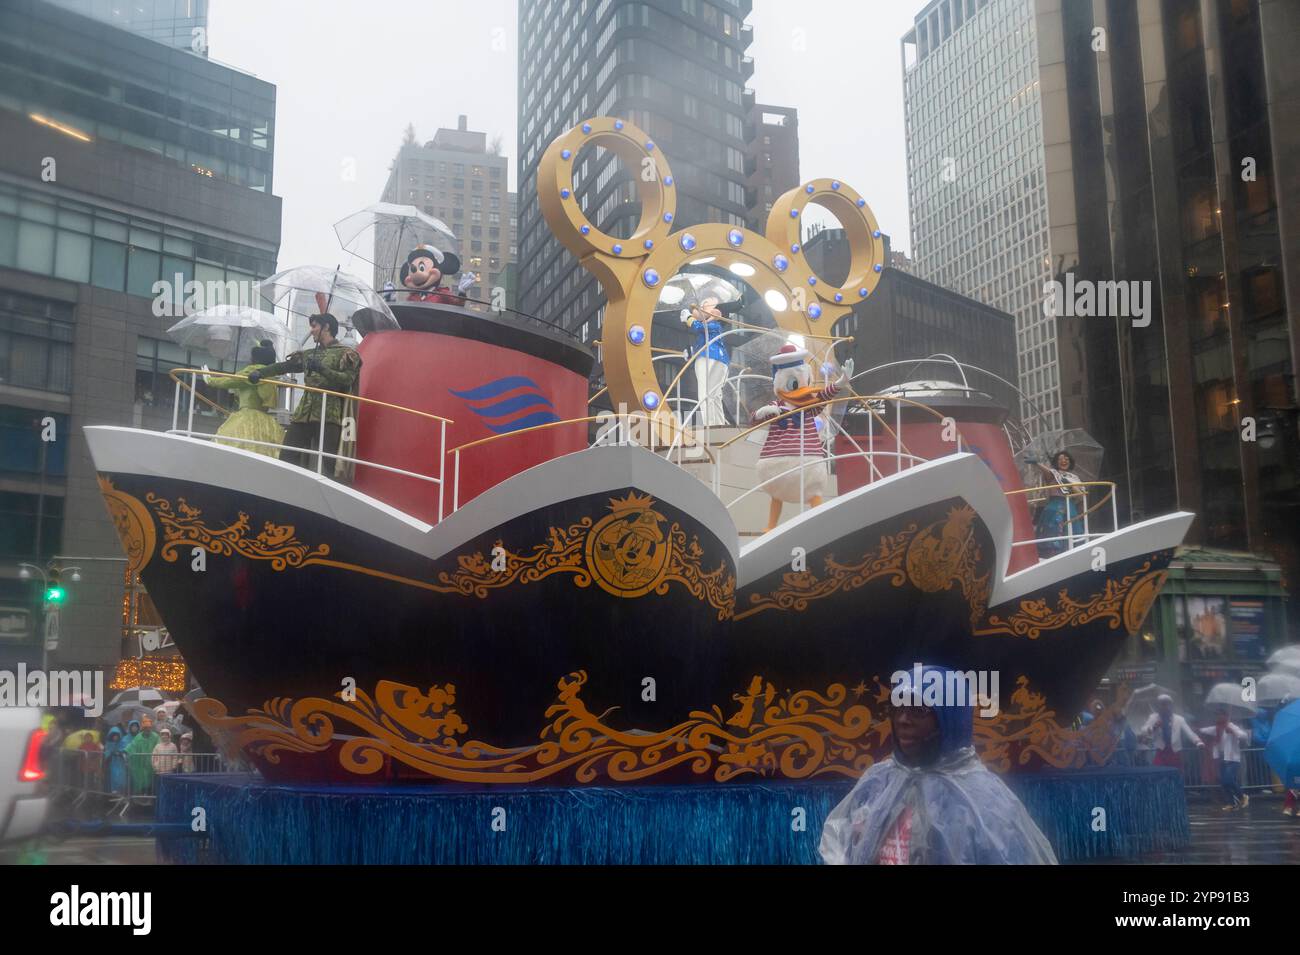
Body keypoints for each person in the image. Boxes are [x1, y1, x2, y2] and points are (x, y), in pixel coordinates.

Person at [820, 664, 1057, 864]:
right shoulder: (879, 782)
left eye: (918, 710)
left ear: (950, 719)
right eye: (898, 708)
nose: (903, 719)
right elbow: (839, 843)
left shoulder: (984, 802)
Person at [249, 312, 362, 472]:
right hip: (303, 414)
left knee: (331, 463)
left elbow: (347, 379)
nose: (312, 330)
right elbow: (284, 366)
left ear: (326, 327)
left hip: (329, 415)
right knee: (287, 455)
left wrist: (322, 368)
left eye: (314, 326)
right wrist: (261, 373)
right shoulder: (309, 355)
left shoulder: (345, 353)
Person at [206, 339, 285, 458]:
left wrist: (210, 380)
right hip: (264, 420)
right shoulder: (269, 374)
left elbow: (231, 381)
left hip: (247, 416)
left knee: (231, 447)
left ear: (256, 359)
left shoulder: (254, 371)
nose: (249, 359)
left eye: (251, 357)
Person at [680, 296, 740, 427]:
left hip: (710, 359)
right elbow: (703, 340)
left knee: (706, 394)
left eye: (706, 305)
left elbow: (699, 328)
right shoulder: (712, 327)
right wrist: (692, 352)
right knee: (714, 394)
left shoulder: (713, 324)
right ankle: (717, 423)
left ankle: (711, 424)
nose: (703, 307)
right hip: (719, 359)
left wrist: (688, 318)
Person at [1030, 450, 1085, 557]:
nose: (1063, 461)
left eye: (1066, 459)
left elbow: (1081, 495)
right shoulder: (1052, 474)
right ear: (1056, 462)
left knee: (1071, 534)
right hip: (1054, 507)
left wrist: (1070, 484)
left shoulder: (1074, 478)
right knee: (1052, 537)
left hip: (1070, 507)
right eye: (1060, 459)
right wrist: (1036, 463)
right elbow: (1048, 472)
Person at [1198, 708, 1250, 811]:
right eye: (1216, 715)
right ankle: (1231, 803)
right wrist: (1195, 729)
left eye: (1220, 715)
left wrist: (1233, 732)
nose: (1217, 717)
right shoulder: (1216, 728)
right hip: (1221, 758)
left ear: (1225, 716)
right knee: (1223, 782)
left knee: (1228, 780)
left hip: (1232, 759)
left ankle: (1243, 796)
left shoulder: (1231, 726)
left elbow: (1244, 736)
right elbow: (1203, 730)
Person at [1139, 694, 1204, 770]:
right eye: (1162, 704)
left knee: (1176, 773)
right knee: (1159, 773)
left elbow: (1189, 733)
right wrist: (1154, 727)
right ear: (1158, 706)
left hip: (1175, 752)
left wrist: (1198, 742)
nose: (1165, 707)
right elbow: (1143, 731)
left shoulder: (1179, 719)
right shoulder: (1153, 717)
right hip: (1160, 751)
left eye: (1167, 704)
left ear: (1171, 705)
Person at [125, 715, 160, 795]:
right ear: (143, 728)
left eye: (149, 727)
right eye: (146, 728)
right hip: (140, 763)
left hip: (151, 763)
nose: (148, 729)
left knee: (150, 780)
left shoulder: (155, 736)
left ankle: (150, 797)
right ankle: (141, 798)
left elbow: (159, 746)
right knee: (141, 780)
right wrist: (126, 751)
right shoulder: (138, 737)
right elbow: (132, 745)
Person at [102, 726, 128, 795]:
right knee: (111, 779)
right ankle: (110, 795)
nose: (115, 737)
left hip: (120, 764)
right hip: (111, 765)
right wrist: (110, 754)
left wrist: (119, 753)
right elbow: (106, 753)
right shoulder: (109, 744)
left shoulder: (122, 743)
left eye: (117, 735)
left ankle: (120, 793)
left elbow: (124, 751)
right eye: (114, 736)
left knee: (120, 779)